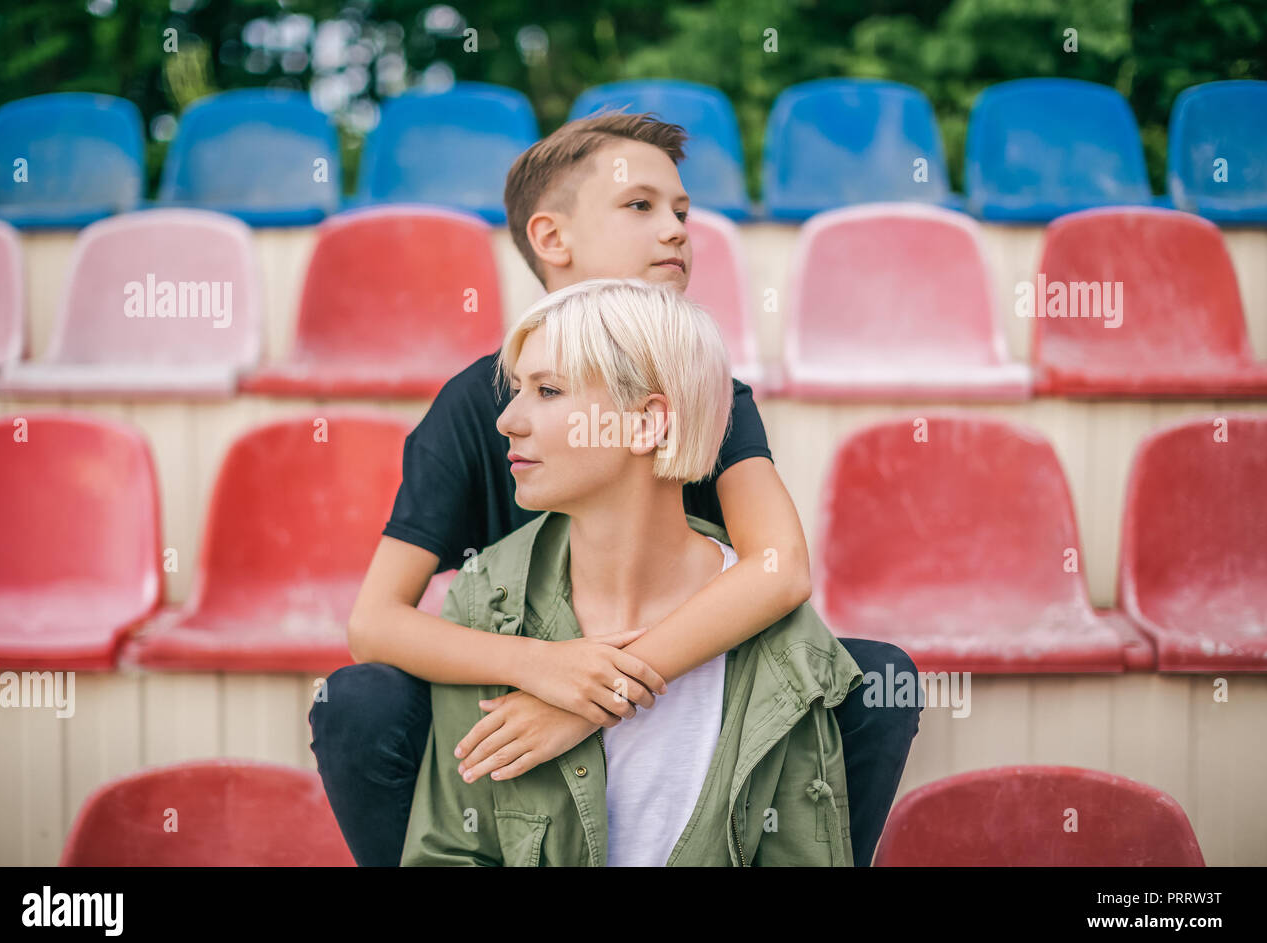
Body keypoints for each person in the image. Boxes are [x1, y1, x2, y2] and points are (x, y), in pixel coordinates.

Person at [309, 110, 922, 866]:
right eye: (641, 206)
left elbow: (779, 567)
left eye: (682, 212)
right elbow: (376, 622)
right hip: (515, 698)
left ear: (654, 421)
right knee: (361, 701)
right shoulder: (478, 407)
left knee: (876, 678)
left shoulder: (706, 393)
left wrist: (596, 700)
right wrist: (545, 670)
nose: (675, 230)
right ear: (552, 239)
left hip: (684, 677)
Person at [402, 278, 865, 865]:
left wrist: (591, 700)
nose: (507, 421)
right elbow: (450, 852)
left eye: (547, 391)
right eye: (517, 390)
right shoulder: (485, 603)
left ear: (647, 423)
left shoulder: (782, 644)